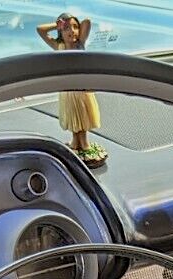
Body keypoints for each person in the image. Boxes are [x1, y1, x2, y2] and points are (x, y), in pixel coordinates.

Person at [37, 14, 107, 168]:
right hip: (68, 91)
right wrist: (57, 25)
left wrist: (71, 23)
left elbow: (87, 22)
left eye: (75, 27)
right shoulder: (58, 47)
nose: (72, 31)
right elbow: (40, 30)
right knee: (74, 118)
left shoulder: (79, 45)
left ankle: (84, 143)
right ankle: (76, 142)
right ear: (60, 31)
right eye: (67, 28)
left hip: (82, 89)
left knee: (83, 117)